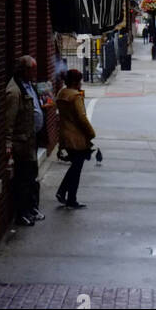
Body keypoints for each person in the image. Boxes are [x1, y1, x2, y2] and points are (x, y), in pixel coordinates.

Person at [5, 54, 45, 225]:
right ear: (24, 70)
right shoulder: (14, 92)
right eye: (32, 69)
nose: (35, 72)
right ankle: (23, 213)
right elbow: (9, 120)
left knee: (31, 176)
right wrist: (8, 144)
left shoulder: (28, 86)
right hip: (22, 143)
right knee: (23, 179)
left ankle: (31, 208)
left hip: (31, 139)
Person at [55, 69, 95, 208]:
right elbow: (82, 118)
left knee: (75, 167)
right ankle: (65, 193)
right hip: (77, 138)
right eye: (80, 81)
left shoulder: (61, 94)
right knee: (76, 169)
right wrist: (91, 133)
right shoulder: (75, 96)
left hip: (65, 135)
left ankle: (70, 197)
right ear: (75, 82)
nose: (81, 84)